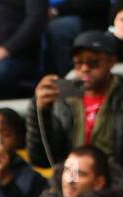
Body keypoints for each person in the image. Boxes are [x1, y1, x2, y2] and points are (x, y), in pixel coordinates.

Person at [26, 31, 122, 169]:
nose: (84, 68)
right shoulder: (61, 100)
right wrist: (40, 110)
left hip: (114, 177)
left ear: (111, 62)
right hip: (74, 176)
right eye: (78, 63)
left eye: (93, 63)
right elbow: (41, 159)